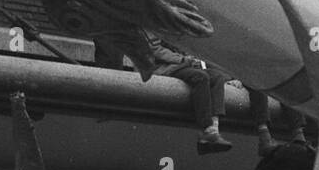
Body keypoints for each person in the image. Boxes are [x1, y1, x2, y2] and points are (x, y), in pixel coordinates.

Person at [94, 30, 233, 154]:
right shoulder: (149, 24)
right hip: (161, 68)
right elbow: (154, 50)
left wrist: (187, 59)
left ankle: (214, 128)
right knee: (200, 77)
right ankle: (206, 130)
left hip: (178, 64)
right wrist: (184, 60)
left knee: (216, 77)